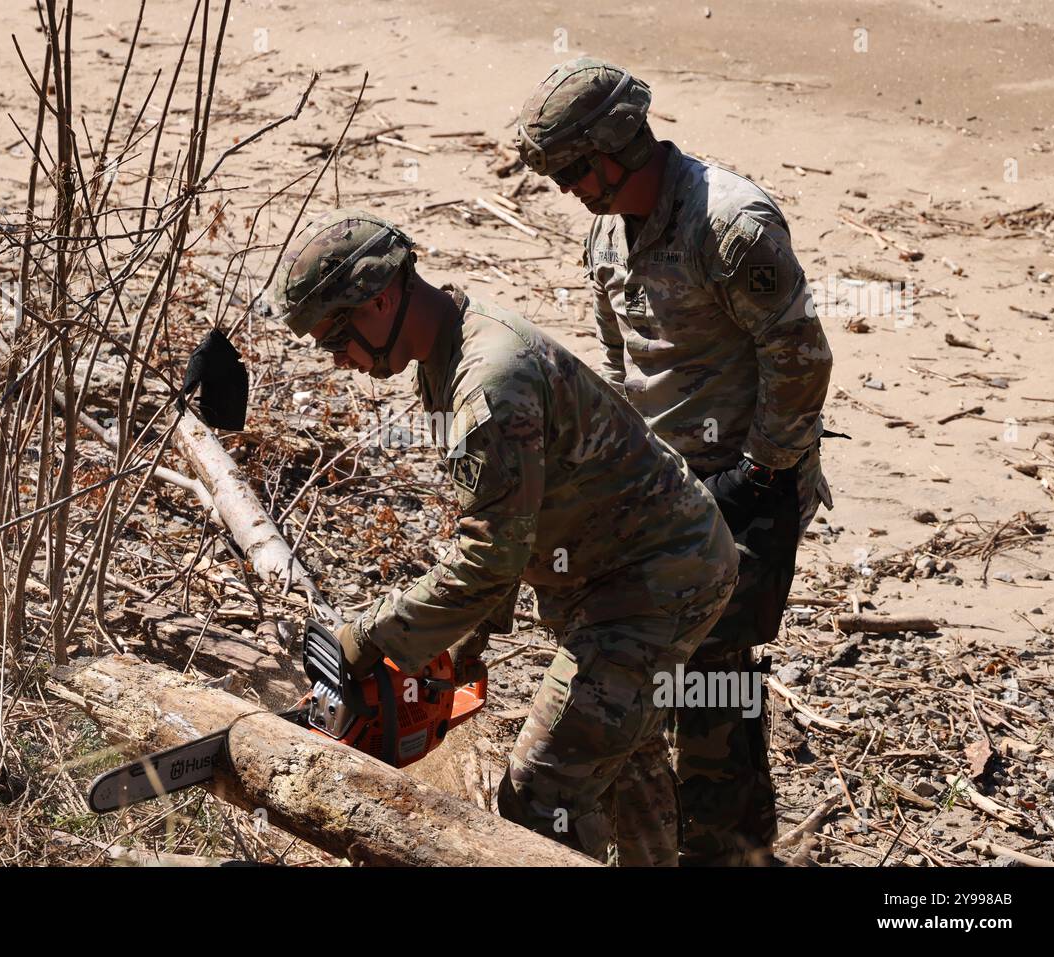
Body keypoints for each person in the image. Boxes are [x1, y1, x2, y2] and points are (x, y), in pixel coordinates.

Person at [274, 207, 738, 865]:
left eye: (336, 338)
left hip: (660, 578)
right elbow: (503, 515)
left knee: (543, 786)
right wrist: (465, 640)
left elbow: (493, 553)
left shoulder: (486, 382)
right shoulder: (447, 353)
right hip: (625, 568)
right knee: (618, 747)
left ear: (380, 298)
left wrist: (373, 636)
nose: (339, 360)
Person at [515, 57, 835, 866]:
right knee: (635, 686)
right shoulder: (605, 230)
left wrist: (760, 478)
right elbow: (621, 364)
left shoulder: (730, 224)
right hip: (661, 491)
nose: (569, 189)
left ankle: (733, 856)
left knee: (714, 694)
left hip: (749, 487)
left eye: (575, 170)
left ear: (619, 144)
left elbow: (800, 358)